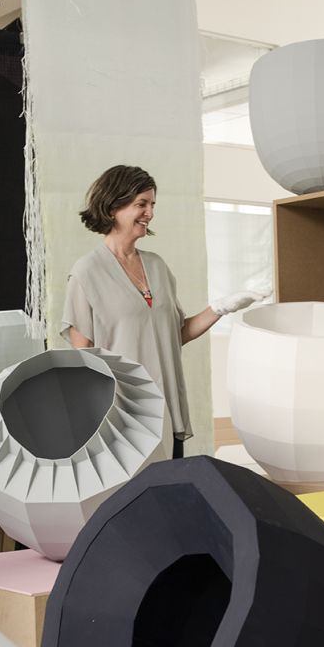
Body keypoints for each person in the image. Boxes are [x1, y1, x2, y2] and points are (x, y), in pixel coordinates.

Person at [61, 165, 264, 459]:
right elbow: (83, 358)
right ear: (113, 207)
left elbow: (175, 335)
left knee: (171, 484)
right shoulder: (86, 272)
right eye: (141, 204)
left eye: (152, 204)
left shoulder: (156, 266)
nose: (150, 213)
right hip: (123, 415)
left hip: (167, 408)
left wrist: (221, 307)